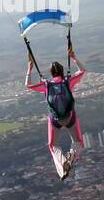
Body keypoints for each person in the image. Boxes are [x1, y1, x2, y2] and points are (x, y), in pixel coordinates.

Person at [26, 43, 85, 180]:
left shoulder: (46, 85)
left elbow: (28, 85)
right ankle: (70, 159)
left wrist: (30, 68)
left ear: (52, 74)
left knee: (52, 145)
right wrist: (74, 57)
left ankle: (63, 164)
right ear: (62, 71)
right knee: (78, 142)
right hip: (70, 118)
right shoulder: (67, 82)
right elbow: (82, 71)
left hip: (54, 120)